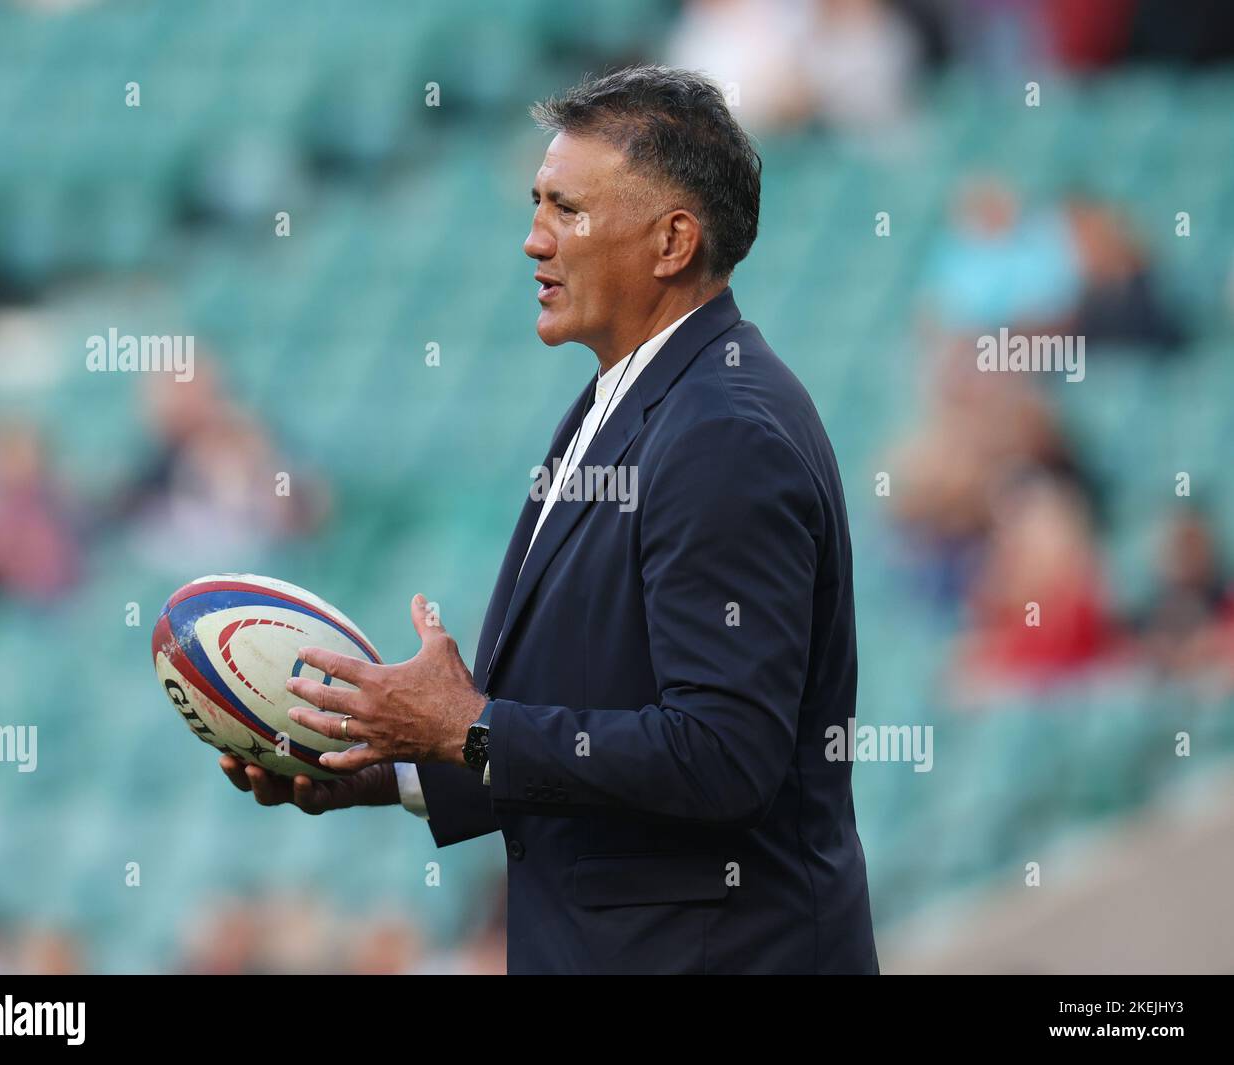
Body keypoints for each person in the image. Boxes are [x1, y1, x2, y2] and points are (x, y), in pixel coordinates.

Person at [221, 65, 878, 975]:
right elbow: (599, 721)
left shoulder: (723, 431)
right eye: (536, 205)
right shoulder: (629, 401)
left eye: (566, 210)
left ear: (672, 241)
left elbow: (724, 755)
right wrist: (395, 767)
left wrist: (471, 729)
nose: (533, 241)